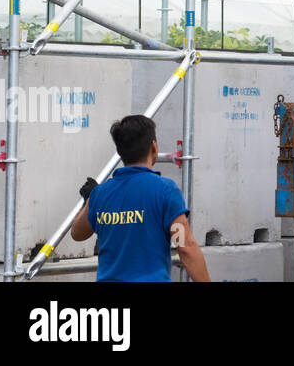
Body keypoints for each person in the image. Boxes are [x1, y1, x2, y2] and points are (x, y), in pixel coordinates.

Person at [70, 115, 210, 282]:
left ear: (119, 152)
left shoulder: (100, 194)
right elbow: (185, 246)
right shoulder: (165, 190)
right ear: (154, 146)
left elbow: (77, 233)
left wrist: (90, 200)